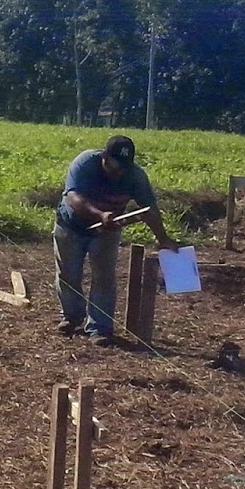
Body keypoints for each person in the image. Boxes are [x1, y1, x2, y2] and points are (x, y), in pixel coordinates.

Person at [54, 134, 180, 346]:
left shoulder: (135, 176)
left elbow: (149, 210)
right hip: (71, 226)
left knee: (104, 277)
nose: (118, 173)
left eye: (123, 168)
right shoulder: (84, 163)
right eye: (113, 167)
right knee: (68, 273)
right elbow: (74, 197)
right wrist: (100, 214)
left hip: (107, 230)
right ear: (104, 156)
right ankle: (71, 316)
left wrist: (163, 238)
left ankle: (99, 327)